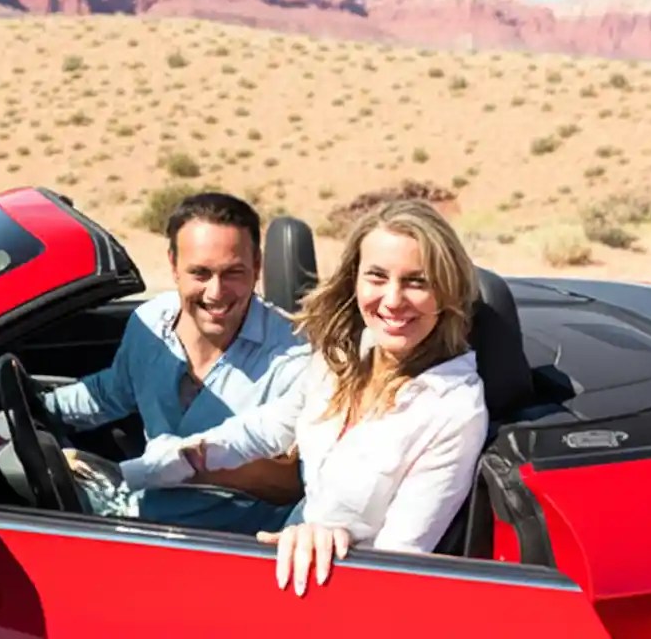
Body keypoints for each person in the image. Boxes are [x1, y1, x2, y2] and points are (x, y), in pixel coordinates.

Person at [120, 198, 488, 596]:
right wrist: (168, 463)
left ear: (446, 290)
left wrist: (328, 538)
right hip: (290, 552)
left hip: (339, 587)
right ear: (354, 280)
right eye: (377, 277)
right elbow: (265, 429)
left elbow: (399, 561)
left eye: (417, 281)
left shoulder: (453, 408)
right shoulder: (345, 356)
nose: (393, 300)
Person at [43, 191, 311, 534]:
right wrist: (39, 407)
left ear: (257, 267)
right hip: (136, 523)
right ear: (173, 266)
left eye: (233, 272)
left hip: (234, 547)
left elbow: (294, 484)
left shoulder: (295, 358)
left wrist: (185, 463)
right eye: (200, 273)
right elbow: (113, 391)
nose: (216, 293)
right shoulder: (149, 324)